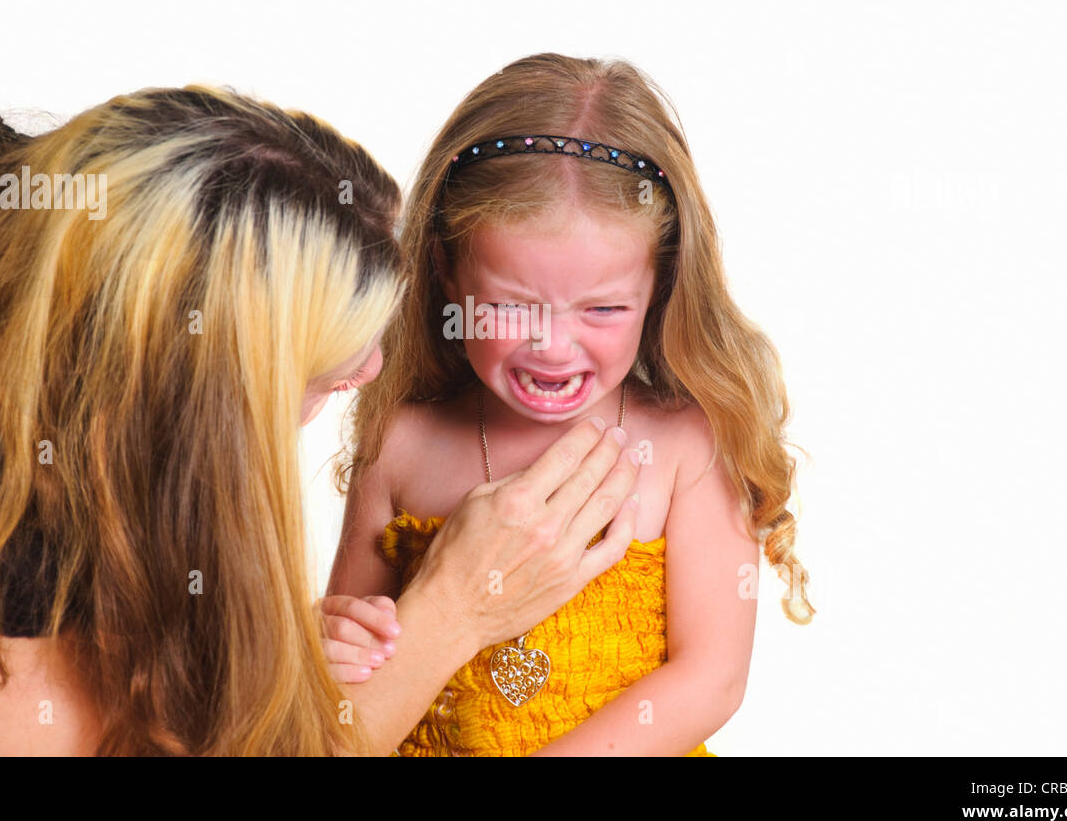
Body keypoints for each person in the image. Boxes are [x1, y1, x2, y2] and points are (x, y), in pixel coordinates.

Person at [0, 86, 642, 756]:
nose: (370, 374)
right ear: (196, 395)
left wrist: (240, 644)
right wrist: (456, 611)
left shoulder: (17, 217)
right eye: (325, 371)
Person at [328, 53, 815, 756]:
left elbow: (710, 678)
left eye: (604, 307)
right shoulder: (401, 443)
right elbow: (356, 677)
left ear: (662, 284)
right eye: (510, 305)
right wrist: (336, 637)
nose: (553, 346)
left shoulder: (684, 446)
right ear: (445, 268)